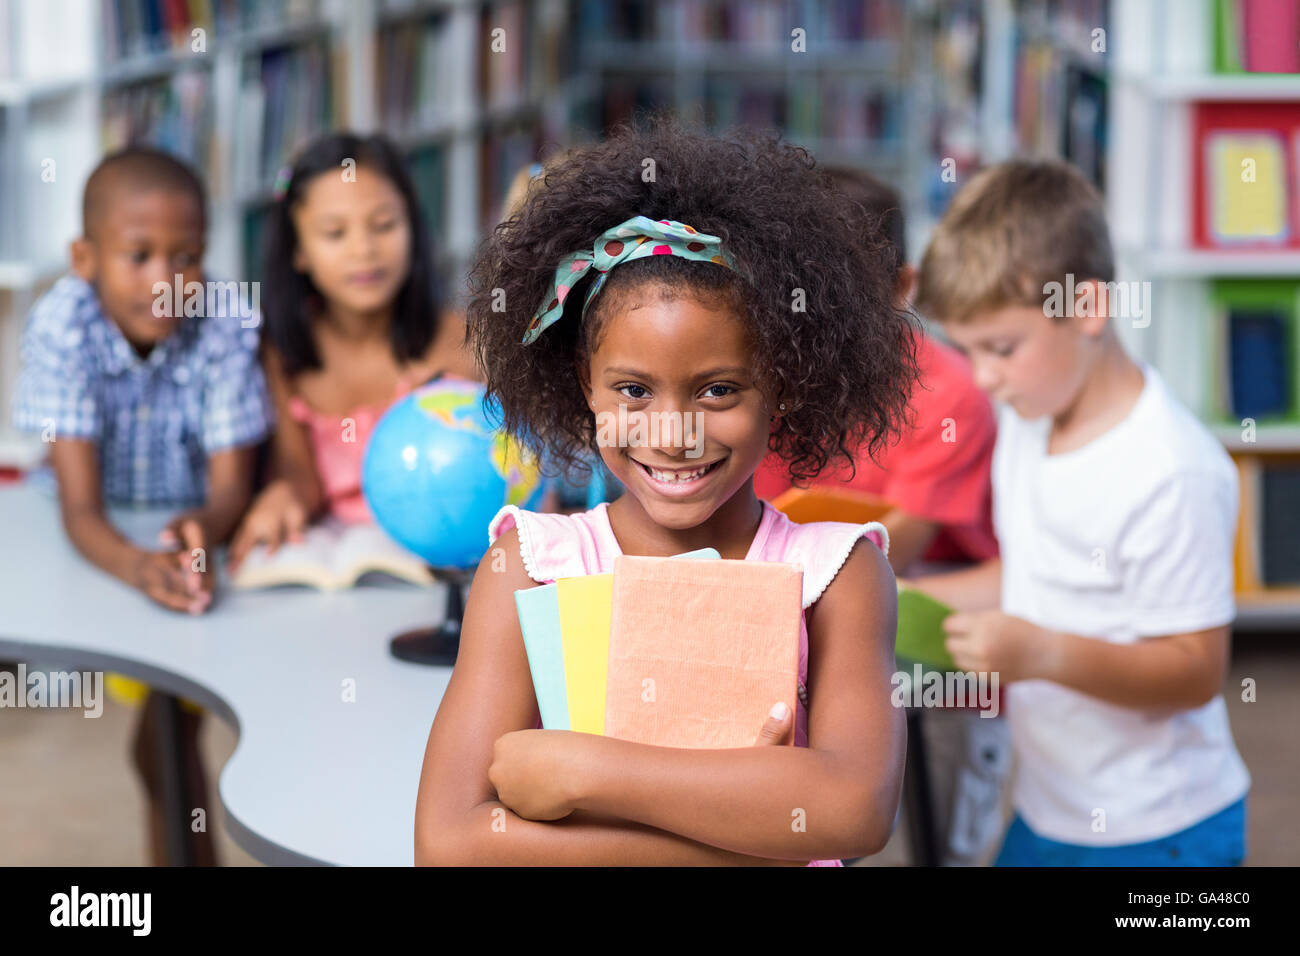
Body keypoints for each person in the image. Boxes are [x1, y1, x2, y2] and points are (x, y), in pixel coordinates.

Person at [415, 119, 918, 865]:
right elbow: (451, 843)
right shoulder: (528, 566)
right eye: (633, 390)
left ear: (784, 385)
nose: (675, 432)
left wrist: (586, 773)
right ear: (582, 384)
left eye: (718, 389)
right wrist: (751, 828)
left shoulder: (839, 574)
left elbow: (852, 808)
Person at [906, 158, 1251, 865]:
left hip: (1159, 828)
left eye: (1001, 348)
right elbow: (1035, 573)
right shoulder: (1028, 420)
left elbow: (1194, 670)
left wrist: (1040, 654)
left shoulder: (1171, 472)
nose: (984, 378)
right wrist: (894, 596)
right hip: (1049, 806)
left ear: (1086, 309)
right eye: (966, 352)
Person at [11, 146, 273, 865]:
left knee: (171, 725)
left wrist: (202, 530)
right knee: (166, 728)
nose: (166, 282)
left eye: (186, 256)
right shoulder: (62, 327)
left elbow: (228, 490)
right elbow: (80, 512)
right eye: (139, 256)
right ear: (84, 259)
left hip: (183, 535)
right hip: (96, 550)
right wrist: (139, 566)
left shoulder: (223, 322)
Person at [227, 132, 479, 569]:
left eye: (384, 226)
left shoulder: (465, 343)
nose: (364, 250)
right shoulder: (280, 352)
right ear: (298, 252)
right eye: (334, 233)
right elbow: (298, 475)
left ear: (413, 231)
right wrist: (283, 495)